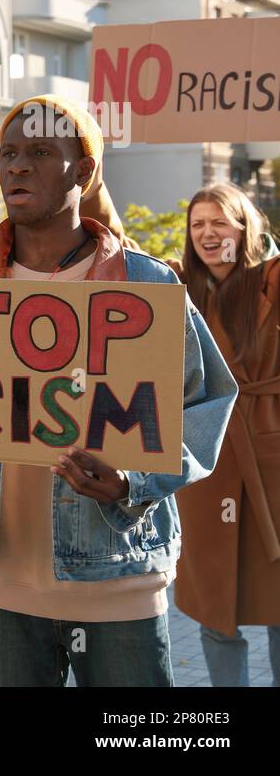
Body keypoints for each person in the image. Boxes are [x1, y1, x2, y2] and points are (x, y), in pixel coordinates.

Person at [0, 94, 238, 686]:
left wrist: (136, 481)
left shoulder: (145, 283)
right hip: (0, 589)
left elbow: (208, 402)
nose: (17, 166)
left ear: (83, 171)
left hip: (120, 583)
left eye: (41, 152)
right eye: (9, 153)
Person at [172, 184, 280, 686]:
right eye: (198, 225)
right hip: (208, 462)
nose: (208, 234)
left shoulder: (272, 280)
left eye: (220, 222)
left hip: (270, 458)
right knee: (214, 606)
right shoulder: (178, 285)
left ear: (244, 227)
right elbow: (114, 245)